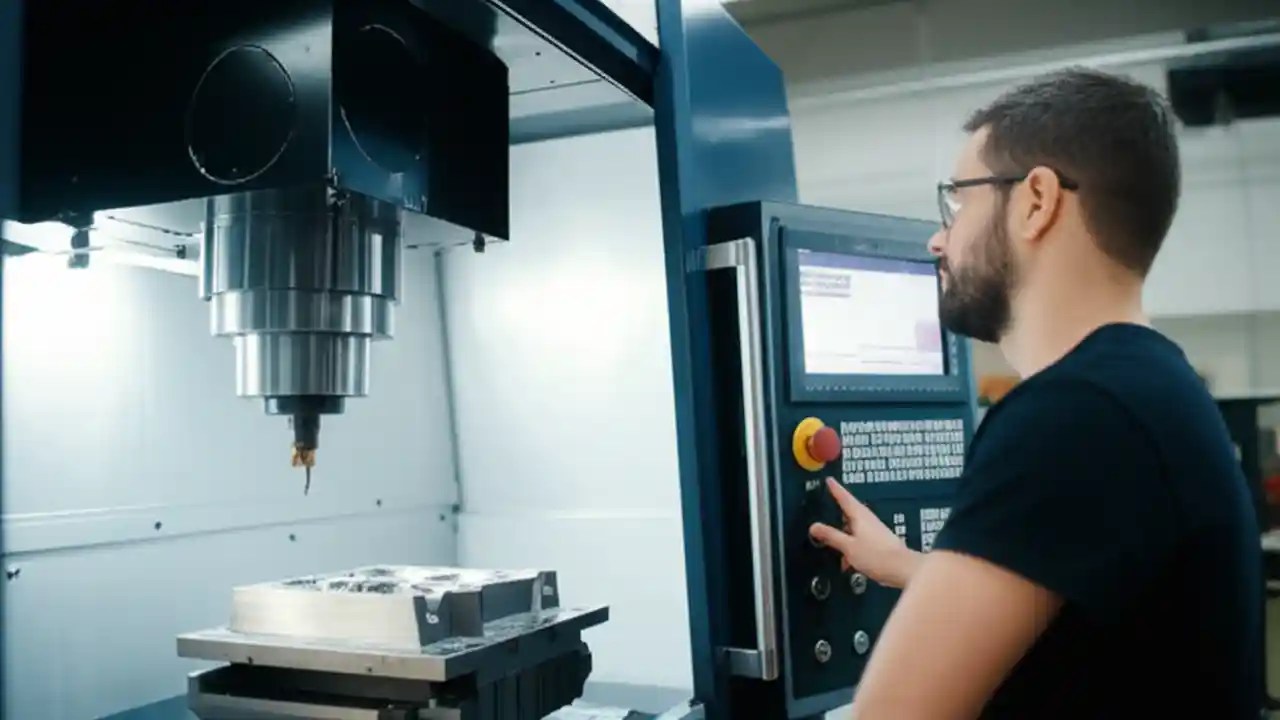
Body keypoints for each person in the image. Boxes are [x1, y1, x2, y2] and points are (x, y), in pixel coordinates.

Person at [809, 67, 1264, 719]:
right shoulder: (1150, 388)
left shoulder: (1073, 415)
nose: (939, 238)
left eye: (958, 203)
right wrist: (908, 566)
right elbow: (1084, 593)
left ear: (1036, 201)